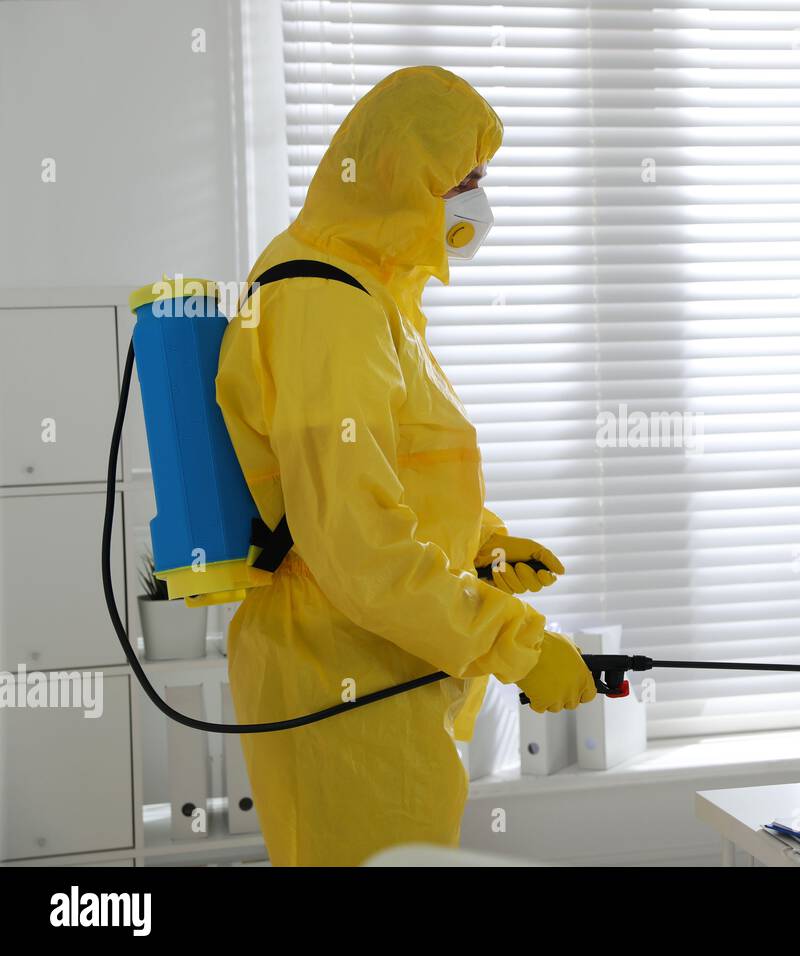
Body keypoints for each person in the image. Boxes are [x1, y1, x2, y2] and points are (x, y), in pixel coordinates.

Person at [215, 66, 596, 866]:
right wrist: (517, 645)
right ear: (398, 176)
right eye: (461, 178)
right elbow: (358, 546)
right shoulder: (324, 305)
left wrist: (482, 548)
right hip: (341, 684)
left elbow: (399, 470)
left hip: (384, 677)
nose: (476, 199)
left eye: (480, 178)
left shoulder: (371, 294)